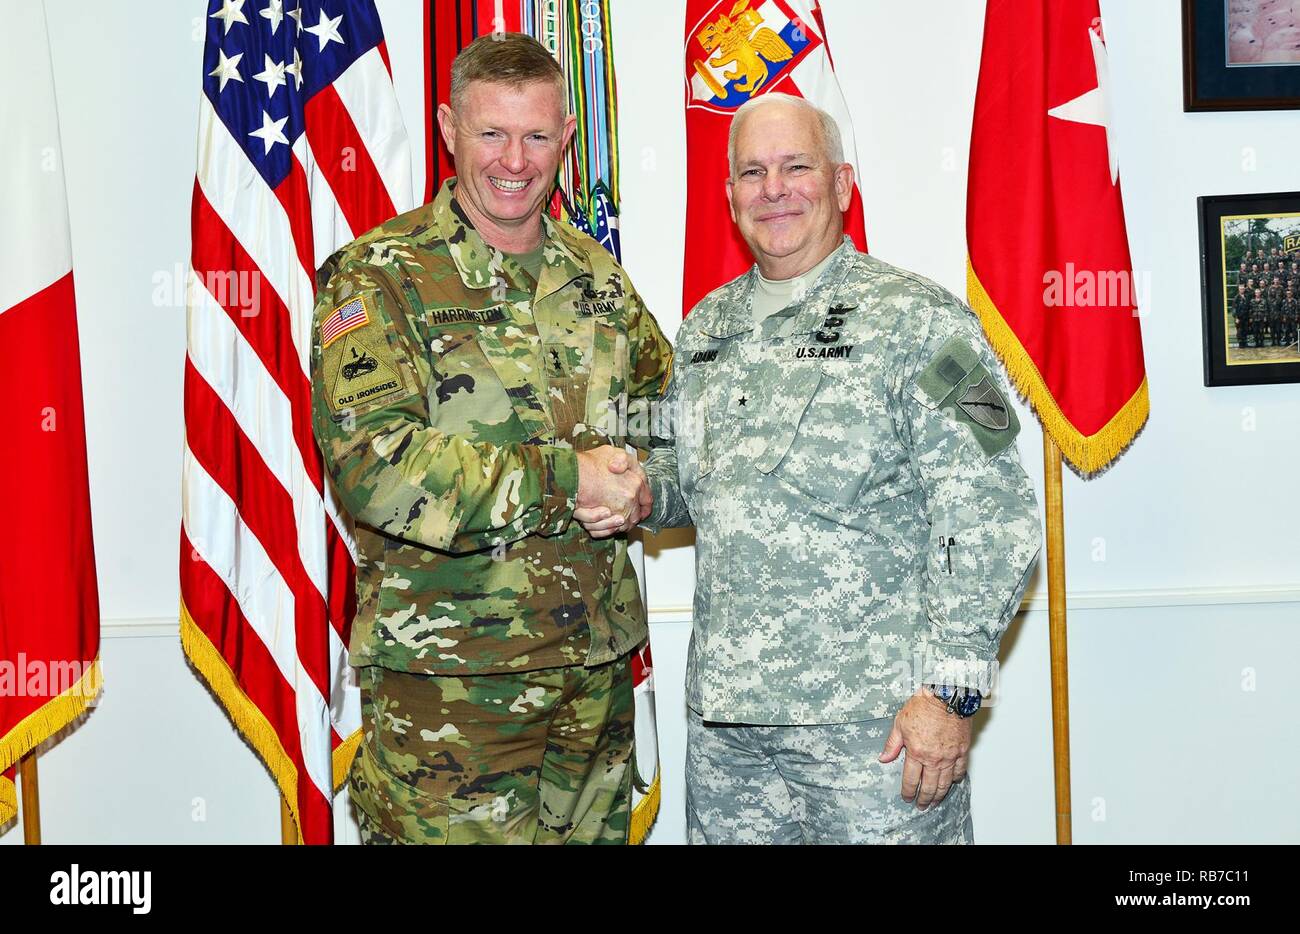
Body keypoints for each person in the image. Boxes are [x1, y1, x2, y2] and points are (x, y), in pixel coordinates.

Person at [579, 93, 1040, 844]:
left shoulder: (919, 320)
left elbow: (992, 513)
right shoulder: (704, 328)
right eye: (753, 173)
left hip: (877, 735)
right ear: (730, 198)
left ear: (841, 184)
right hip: (730, 734)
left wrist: (953, 697)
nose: (774, 188)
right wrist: (626, 490)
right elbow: (678, 476)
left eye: (796, 166)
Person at [310, 33, 671, 844]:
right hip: (454, 693)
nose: (516, 159)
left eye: (537, 135)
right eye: (491, 134)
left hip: (594, 679)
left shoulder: (596, 276)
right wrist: (568, 480)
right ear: (447, 128)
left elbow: (663, 412)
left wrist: (647, 481)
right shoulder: (378, 276)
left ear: (566, 137)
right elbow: (374, 466)